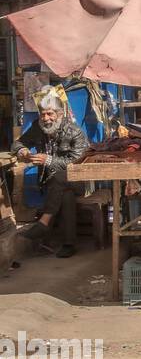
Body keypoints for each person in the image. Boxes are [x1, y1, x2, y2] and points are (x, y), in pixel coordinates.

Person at [16, 91, 88, 258]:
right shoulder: (37, 127)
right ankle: (68, 244)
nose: (46, 118)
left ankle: (44, 223)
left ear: (60, 114)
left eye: (50, 114)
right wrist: (22, 150)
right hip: (54, 184)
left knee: (61, 179)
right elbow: (19, 142)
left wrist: (48, 160)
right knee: (66, 195)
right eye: (43, 114)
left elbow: (76, 162)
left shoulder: (74, 131)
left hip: (77, 180)